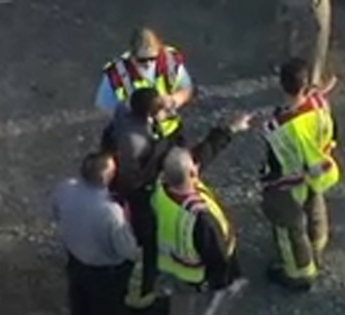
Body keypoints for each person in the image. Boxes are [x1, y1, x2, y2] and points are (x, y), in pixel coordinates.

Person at [152, 113, 253, 315]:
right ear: (192, 173)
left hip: (170, 262)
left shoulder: (158, 191)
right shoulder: (199, 218)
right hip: (196, 273)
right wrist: (224, 280)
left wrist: (230, 129)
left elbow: (204, 151)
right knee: (202, 303)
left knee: (180, 301)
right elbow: (216, 256)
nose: (198, 164)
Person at [258, 58, 340, 292]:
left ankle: (299, 273)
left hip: (289, 181)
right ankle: (317, 244)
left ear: (282, 86)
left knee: (288, 228)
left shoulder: (277, 126)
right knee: (315, 207)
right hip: (318, 172)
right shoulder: (320, 104)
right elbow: (332, 129)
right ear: (306, 85)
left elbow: (274, 161)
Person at [101, 88, 172, 311]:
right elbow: (132, 178)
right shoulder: (138, 141)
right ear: (150, 116)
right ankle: (140, 295)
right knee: (146, 241)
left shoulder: (122, 111)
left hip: (117, 181)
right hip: (134, 195)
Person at [52, 151, 138, 315]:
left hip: (75, 261)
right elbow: (127, 250)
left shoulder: (65, 188)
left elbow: (55, 212)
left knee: (79, 303)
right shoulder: (111, 212)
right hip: (103, 274)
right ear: (108, 177)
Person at [95, 28, 194, 145]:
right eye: (142, 60)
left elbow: (187, 89)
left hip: (169, 131)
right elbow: (105, 107)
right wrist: (139, 118)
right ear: (131, 56)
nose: (148, 64)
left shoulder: (170, 61)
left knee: (184, 162)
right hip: (134, 137)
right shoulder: (116, 74)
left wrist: (173, 101)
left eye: (153, 59)